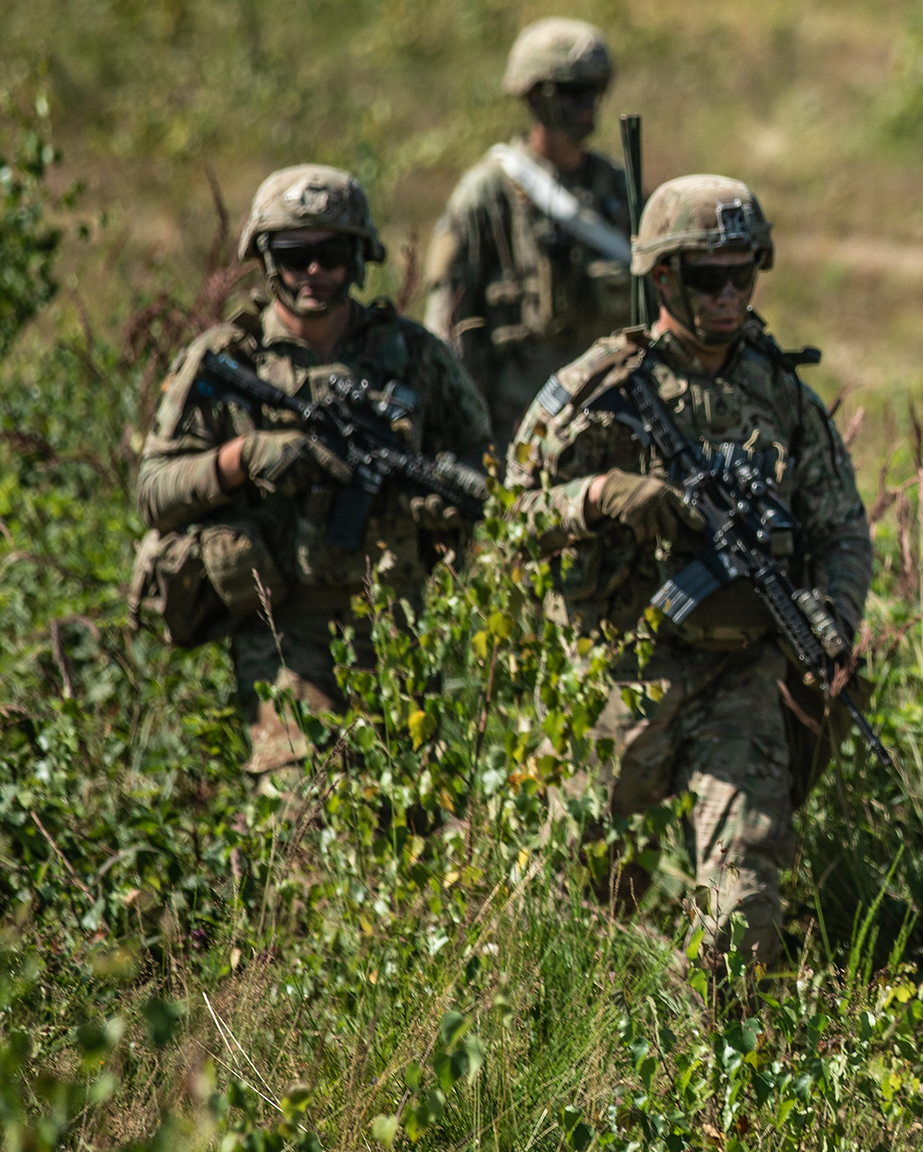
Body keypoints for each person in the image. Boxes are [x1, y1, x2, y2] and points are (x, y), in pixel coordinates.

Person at [506, 175, 871, 968]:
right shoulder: (595, 391)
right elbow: (508, 522)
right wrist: (597, 496)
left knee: (744, 910)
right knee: (579, 906)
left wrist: (832, 621)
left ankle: (725, 1072)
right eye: (710, 277)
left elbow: (842, 526)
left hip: (739, 680)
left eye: (745, 274)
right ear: (662, 277)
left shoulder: (779, 394)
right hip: (617, 680)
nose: (731, 294)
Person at [135, 165, 491, 787]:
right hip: (281, 630)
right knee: (304, 805)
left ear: (358, 258)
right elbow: (154, 493)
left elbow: (485, 469)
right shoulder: (227, 363)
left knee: (411, 814)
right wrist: (241, 460)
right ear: (267, 260)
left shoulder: (413, 354)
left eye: (330, 254)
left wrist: (440, 494)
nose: (314, 273)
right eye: (296, 256)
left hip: (399, 626)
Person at [425, 16, 633, 462]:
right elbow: (446, 323)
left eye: (595, 92)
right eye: (573, 92)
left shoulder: (617, 189)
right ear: (535, 95)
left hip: (611, 424)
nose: (587, 106)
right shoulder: (486, 195)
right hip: (516, 430)